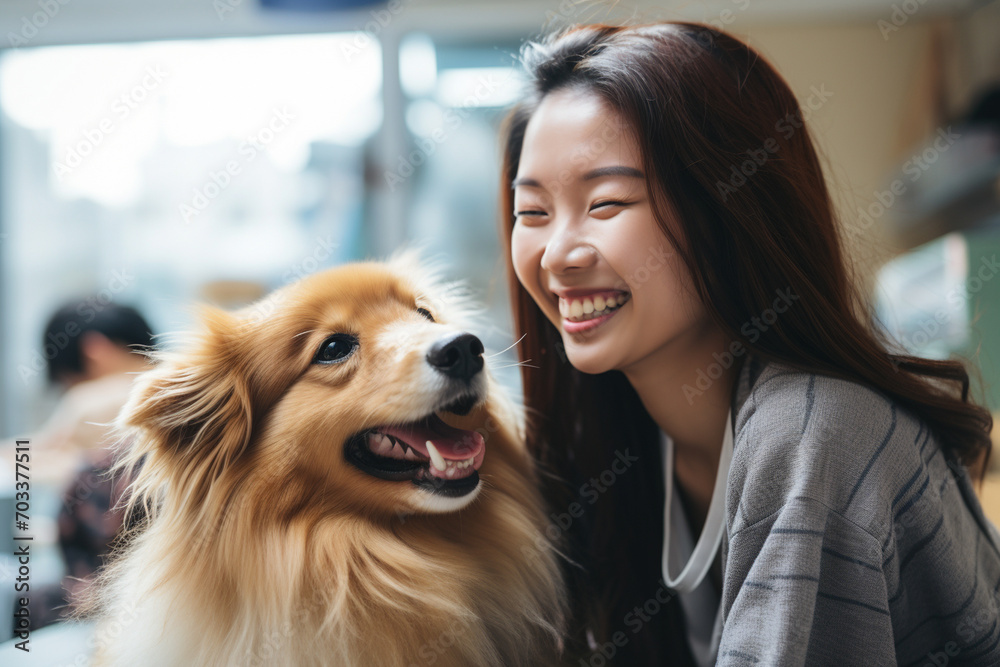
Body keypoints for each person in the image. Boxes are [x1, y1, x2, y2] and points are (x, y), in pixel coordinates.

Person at [498, 22, 1000, 666]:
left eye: (607, 202)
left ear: (728, 210)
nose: (558, 254)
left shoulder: (815, 432)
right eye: (532, 213)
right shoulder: (612, 444)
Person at [27, 301, 154, 629]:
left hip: (119, 597)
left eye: (69, 379)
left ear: (94, 350)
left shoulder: (99, 399)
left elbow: (40, 452)